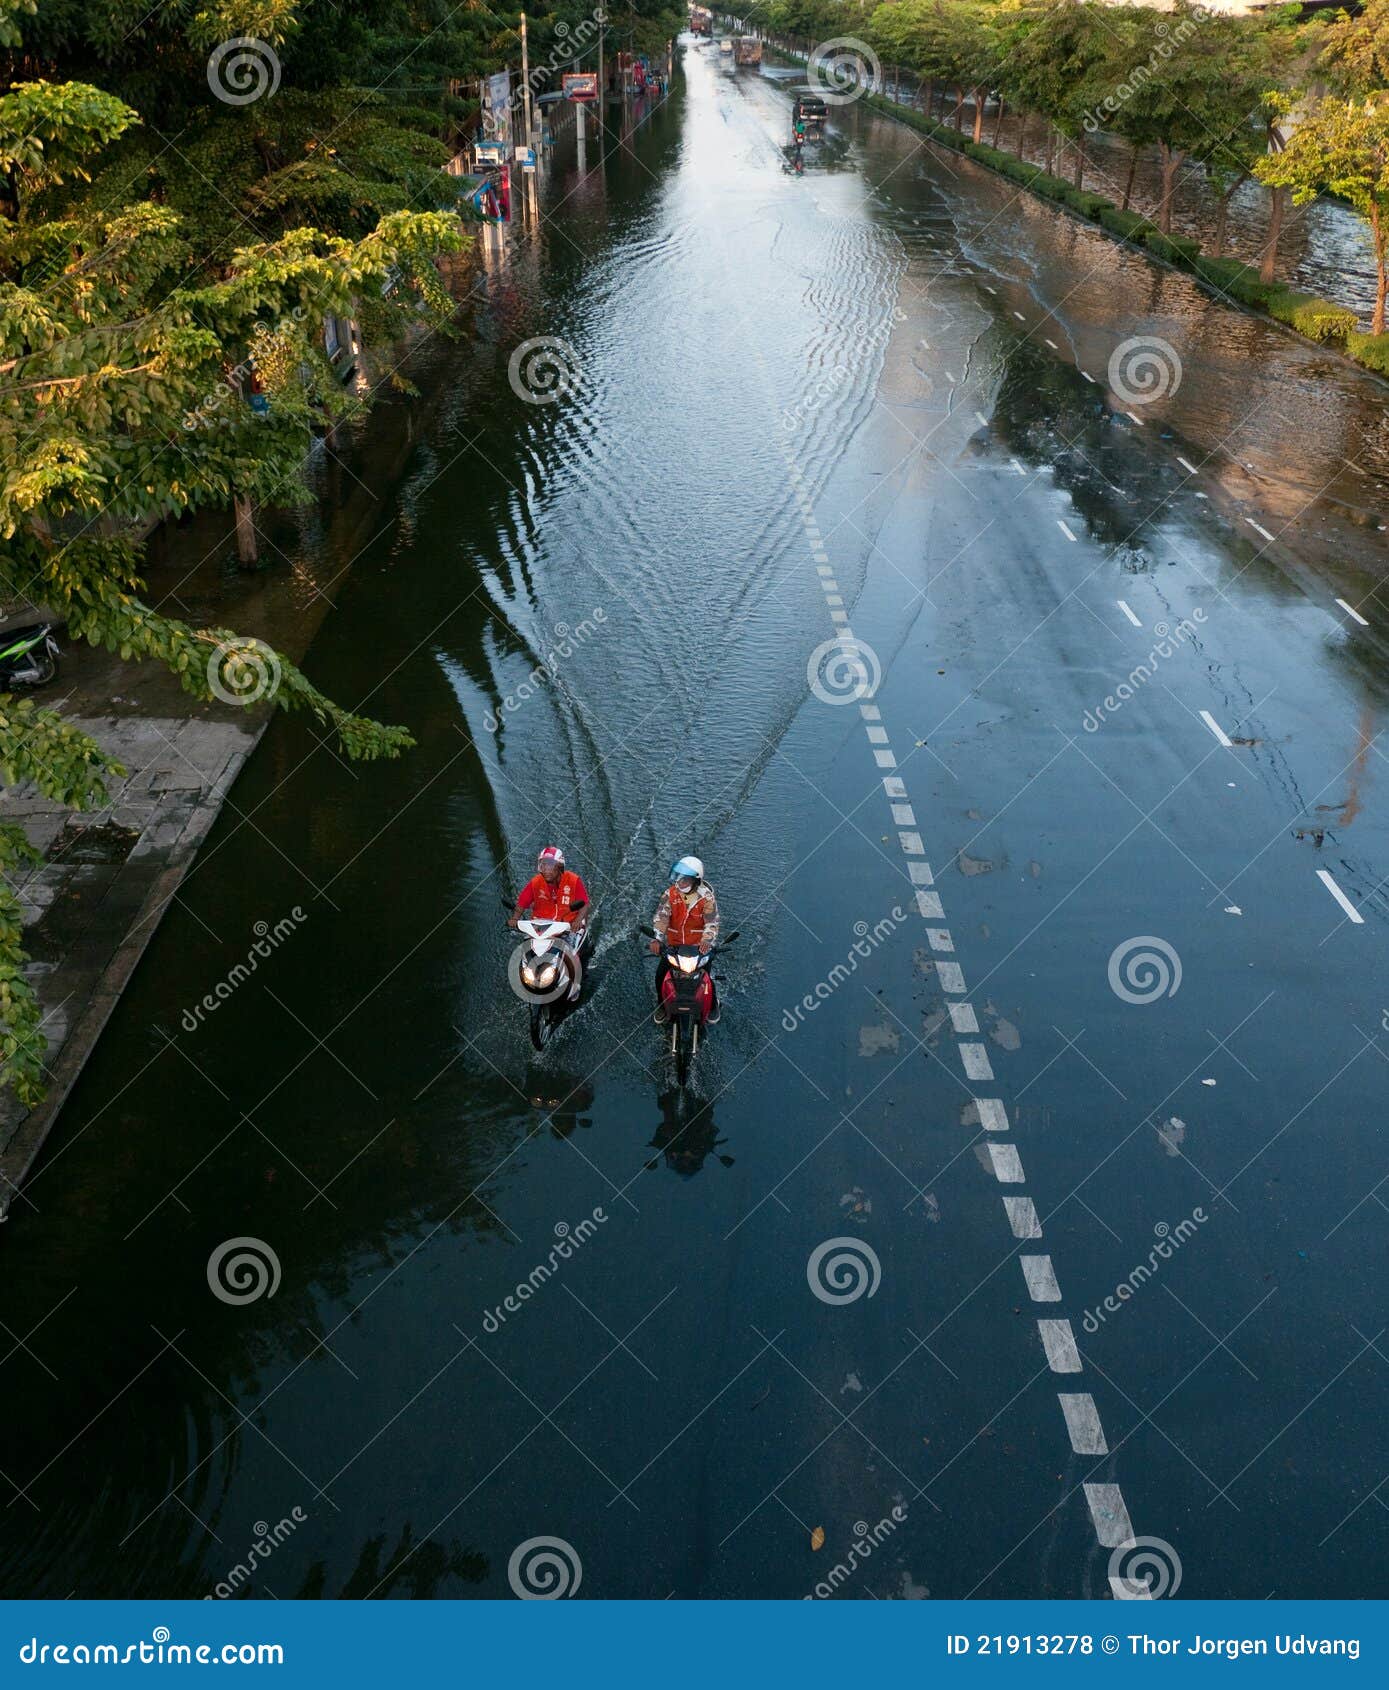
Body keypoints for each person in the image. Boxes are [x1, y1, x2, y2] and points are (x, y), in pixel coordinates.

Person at [511, 846, 590, 1000]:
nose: (546, 869)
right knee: (526, 952)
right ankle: (530, 977)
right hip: (539, 926)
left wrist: (578, 921)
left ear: (559, 867)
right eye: (543, 865)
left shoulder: (574, 880)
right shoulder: (535, 882)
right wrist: (515, 917)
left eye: (550, 865)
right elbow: (522, 902)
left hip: (567, 925)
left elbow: (585, 904)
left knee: (572, 954)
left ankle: (575, 984)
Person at [649, 855, 720, 1024]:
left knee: (706, 978)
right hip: (674, 946)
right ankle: (661, 1002)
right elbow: (661, 916)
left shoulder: (707, 898)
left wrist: (707, 941)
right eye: (678, 878)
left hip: (698, 948)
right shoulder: (670, 894)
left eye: (685, 880)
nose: (679, 883)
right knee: (660, 976)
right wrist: (657, 938)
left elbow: (712, 922)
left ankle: (713, 1005)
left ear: (696, 881)